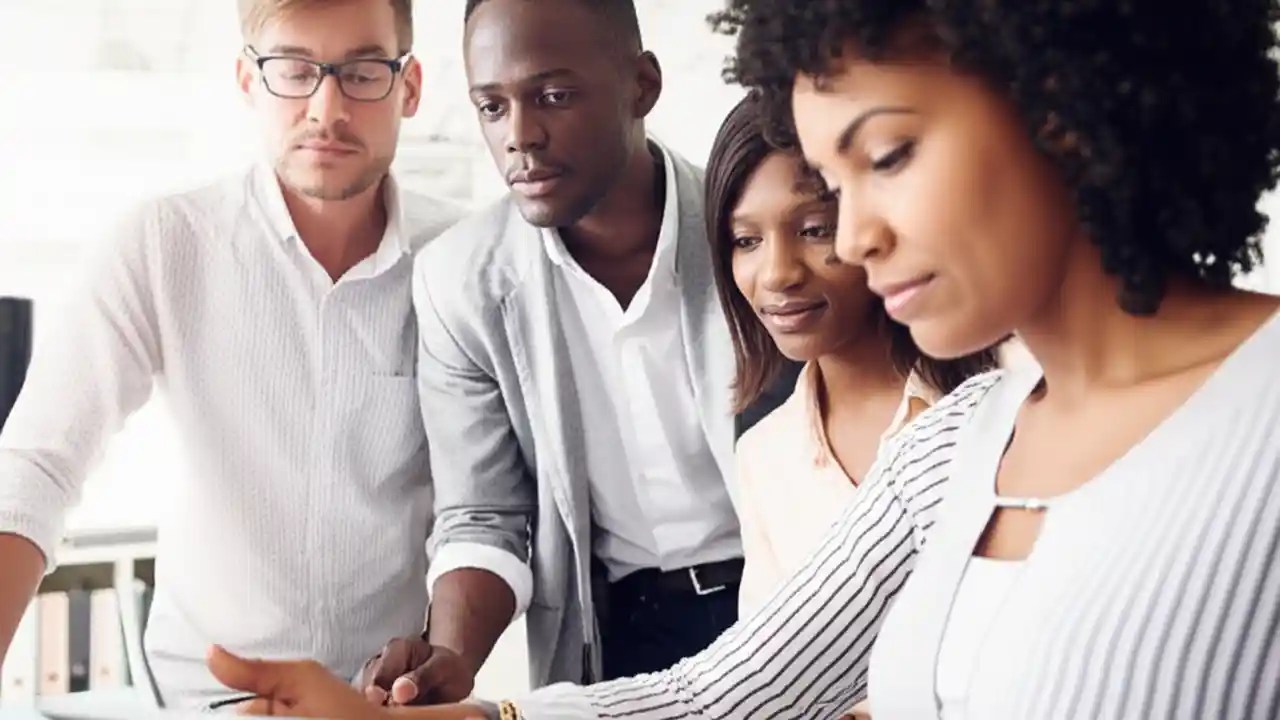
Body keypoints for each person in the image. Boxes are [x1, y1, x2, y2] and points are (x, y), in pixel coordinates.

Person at [202, 0, 1280, 717]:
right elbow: (719, 696)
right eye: (830, 182)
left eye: (888, 156)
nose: (849, 240)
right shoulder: (956, 447)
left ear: (1069, 112)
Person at [0, 0, 461, 708]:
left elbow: (490, 506)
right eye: (293, 70)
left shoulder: (464, 259)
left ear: (411, 86)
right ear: (248, 80)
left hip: (389, 702)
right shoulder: (163, 240)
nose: (327, 106)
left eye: (363, 71)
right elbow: (38, 464)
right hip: (210, 698)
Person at [353, 0, 761, 707]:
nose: (521, 135)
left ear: (642, 87)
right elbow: (484, 514)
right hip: (613, 641)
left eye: (554, 95)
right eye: (491, 106)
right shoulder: (459, 281)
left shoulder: (753, 237)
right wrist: (447, 655)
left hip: (783, 600)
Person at [706, 95, 996, 616]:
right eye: (745, 240)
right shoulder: (764, 458)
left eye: (814, 229)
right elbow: (774, 674)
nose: (777, 273)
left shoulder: (1000, 388)